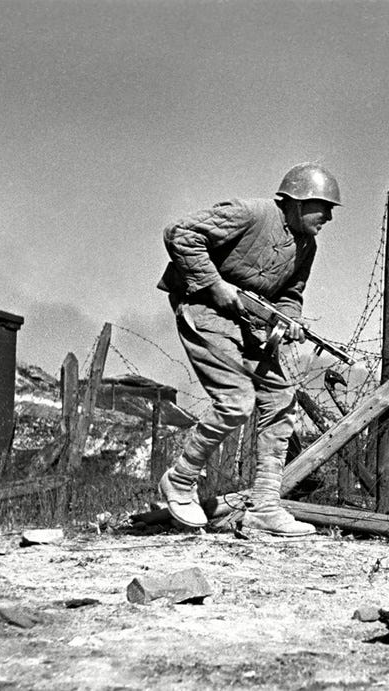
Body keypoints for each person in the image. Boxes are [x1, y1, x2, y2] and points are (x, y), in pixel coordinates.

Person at [156, 162, 341, 537]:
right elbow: (180, 234)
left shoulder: (308, 245)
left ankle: (265, 507)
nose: (329, 217)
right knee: (236, 401)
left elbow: (291, 294)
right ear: (299, 201)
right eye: (324, 206)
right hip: (205, 311)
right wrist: (213, 284)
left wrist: (290, 320)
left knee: (281, 399)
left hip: (251, 325)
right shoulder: (250, 213)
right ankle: (179, 480)